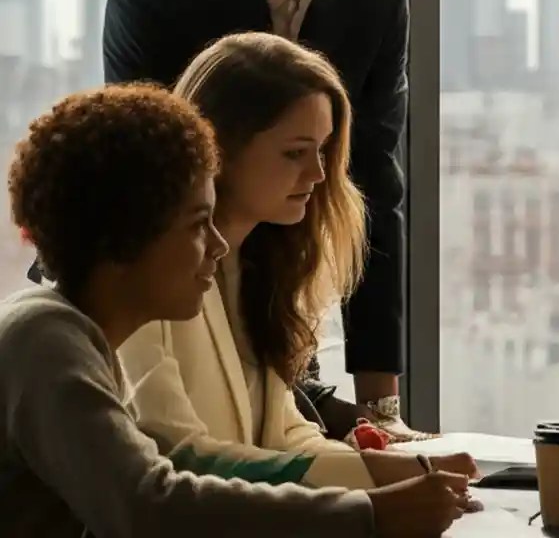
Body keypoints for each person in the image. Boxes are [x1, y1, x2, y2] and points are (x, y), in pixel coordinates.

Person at [0, 84, 471, 537]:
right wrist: (371, 513)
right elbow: (147, 506)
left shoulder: (69, 338)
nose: (219, 246)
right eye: (198, 225)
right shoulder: (45, 340)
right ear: (124, 237)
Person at [98, 0, 410, 440]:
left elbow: (371, 188)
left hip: (279, 296)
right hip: (154, 295)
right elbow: (141, 193)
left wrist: (383, 414)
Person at [116, 33, 476, 489]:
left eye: (323, 151)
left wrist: (404, 471)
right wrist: (389, 477)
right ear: (217, 146)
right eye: (295, 153)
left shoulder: (257, 273)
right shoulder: (145, 276)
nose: (319, 174)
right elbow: (177, 454)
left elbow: (287, 436)